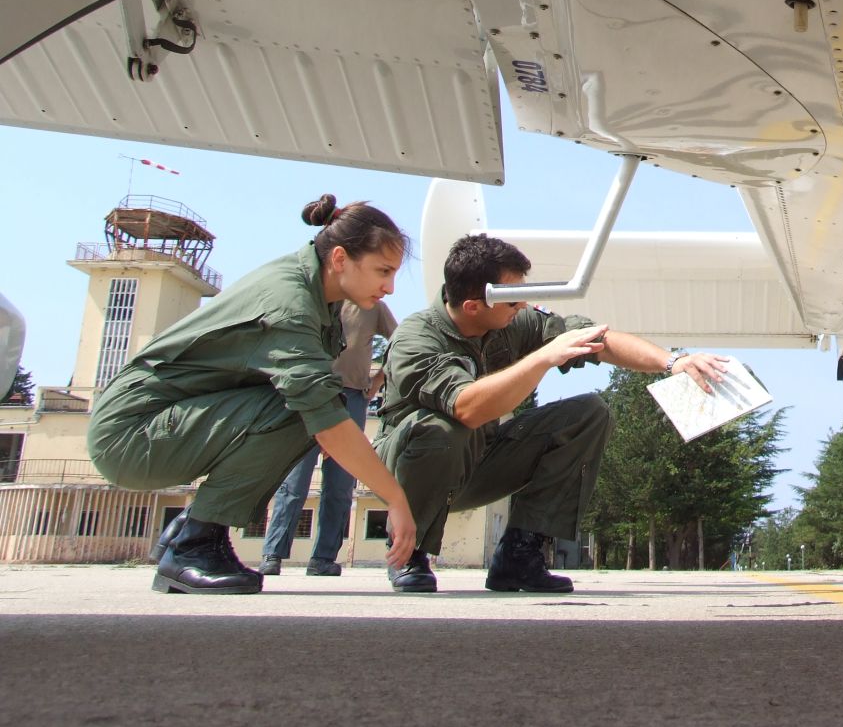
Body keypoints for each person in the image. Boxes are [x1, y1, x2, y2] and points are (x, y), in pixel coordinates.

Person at [87, 196, 418, 594]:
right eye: (383, 271)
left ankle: (193, 530)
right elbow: (324, 415)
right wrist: (396, 498)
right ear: (341, 259)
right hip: (130, 435)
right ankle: (194, 545)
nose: (390, 287)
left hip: (161, 419)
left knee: (310, 409)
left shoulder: (317, 294)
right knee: (305, 411)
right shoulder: (290, 303)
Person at [376, 233, 726, 594]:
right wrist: (544, 357)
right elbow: (468, 407)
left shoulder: (511, 322)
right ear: (472, 307)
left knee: (589, 413)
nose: (523, 305)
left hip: (479, 458)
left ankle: (518, 557)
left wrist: (673, 362)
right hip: (410, 470)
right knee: (443, 429)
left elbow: (596, 338)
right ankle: (408, 552)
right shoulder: (415, 339)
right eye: (512, 300)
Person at [258, 300, 396, 576]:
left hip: (353, 397)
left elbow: (400, 341)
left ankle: (323, 558)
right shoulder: (318, 299)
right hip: (311, 395)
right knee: (295, 480)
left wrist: (379, 379)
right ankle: (273, 554)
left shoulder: (373, 306)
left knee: (341, 485)